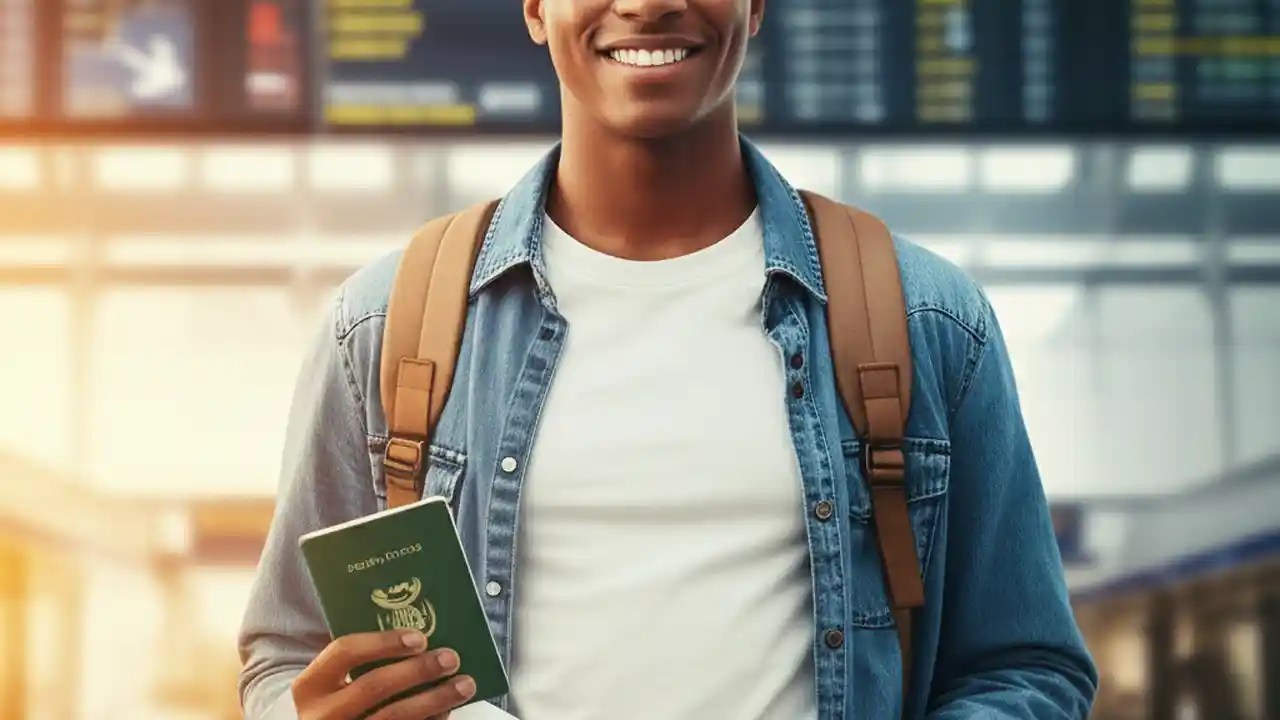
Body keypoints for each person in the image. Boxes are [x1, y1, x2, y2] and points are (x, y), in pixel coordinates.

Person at [237, 0, 1100, 717]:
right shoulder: (386, 327)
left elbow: (1026, 666)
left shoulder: (927, 323)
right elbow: (285, 656)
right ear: (536, 6)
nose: (647, 3)